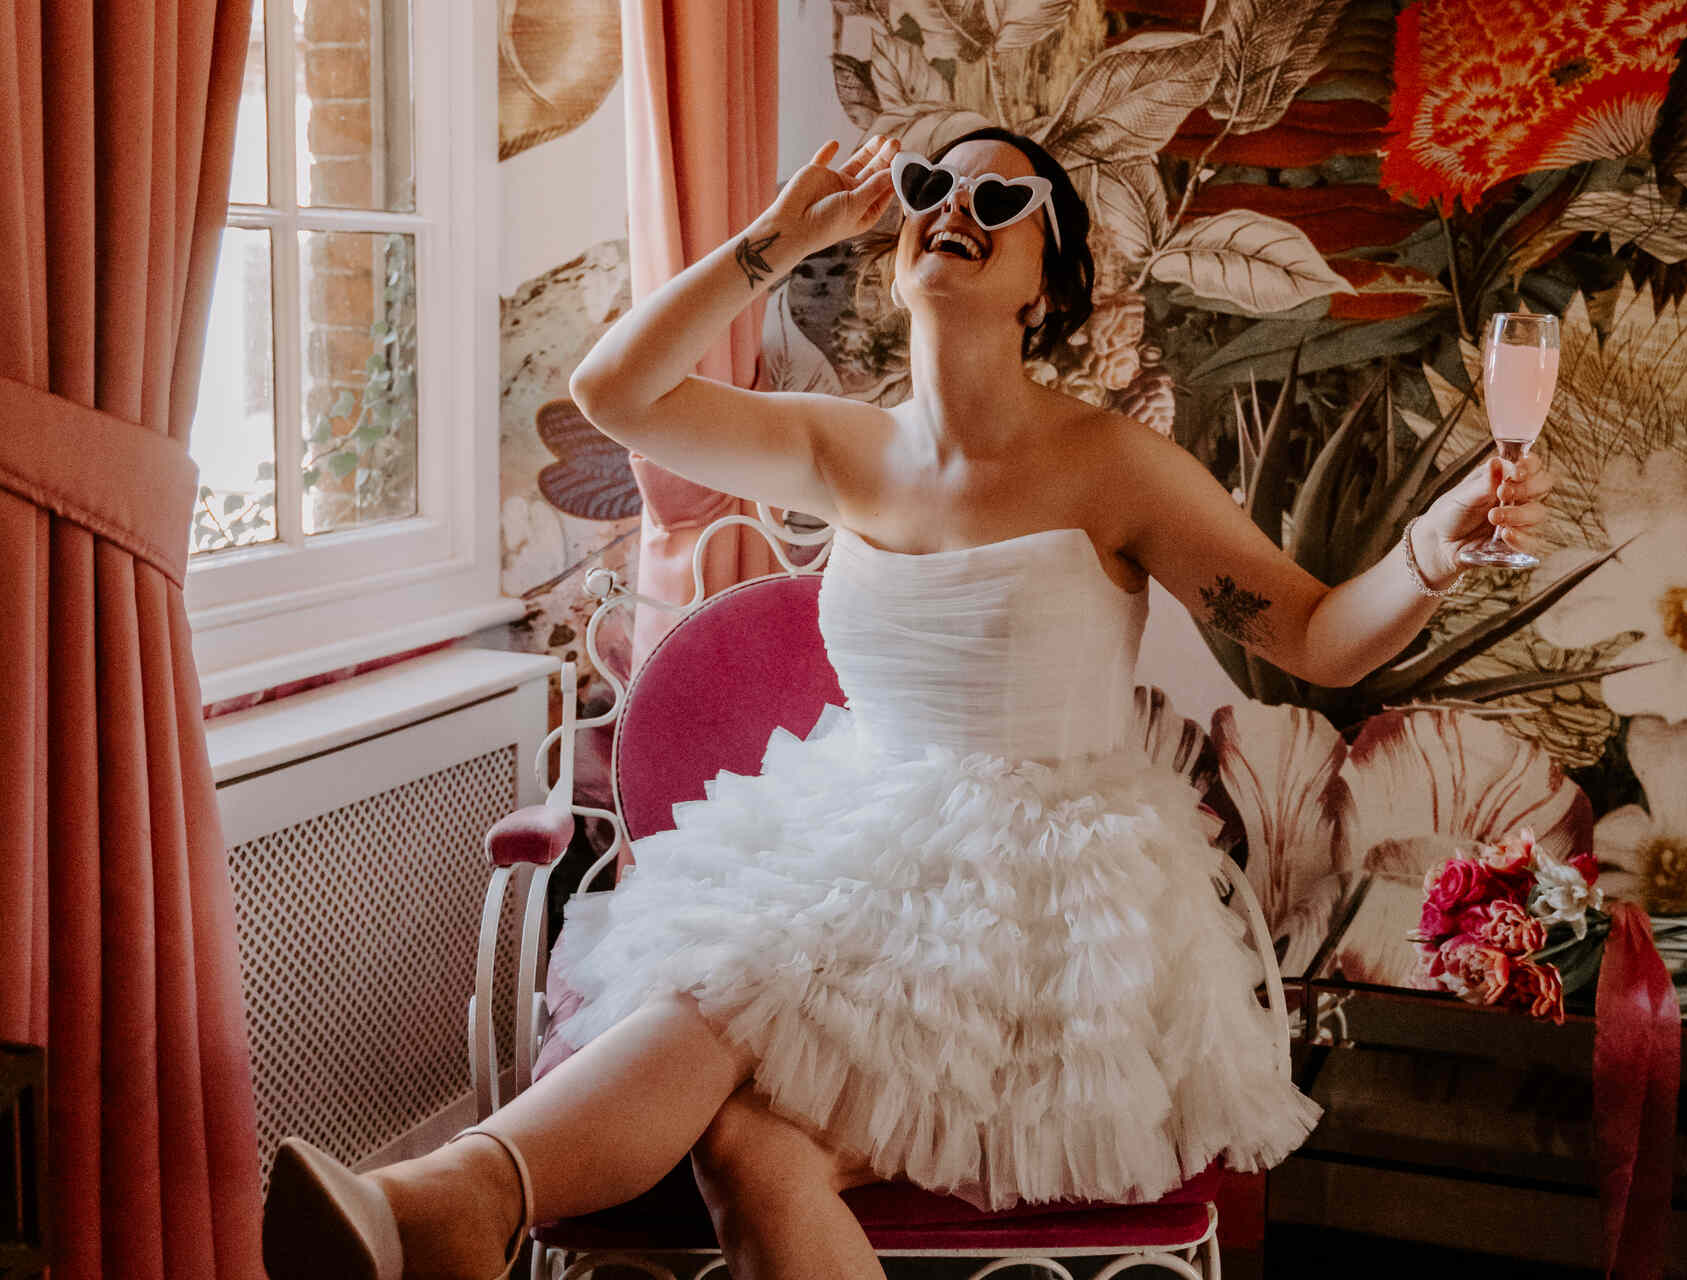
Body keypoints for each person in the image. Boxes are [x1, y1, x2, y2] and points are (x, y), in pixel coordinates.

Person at [261, 127, 1556, 1280]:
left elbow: (1321, 638)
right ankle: (454, 1208)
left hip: (1046, 908)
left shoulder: (1112, 464)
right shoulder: (840, 446)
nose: (957, 211)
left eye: (1002, 202)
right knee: (755, 1149)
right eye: (934, 186)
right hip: (855, 845)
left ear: (1047, 278)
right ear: (895, 246)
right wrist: (779, 237)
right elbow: (615, 398)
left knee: (740, 1093)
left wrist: (1437, 548)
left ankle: (453, 1200)